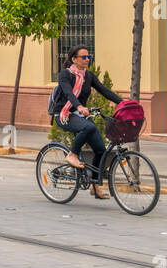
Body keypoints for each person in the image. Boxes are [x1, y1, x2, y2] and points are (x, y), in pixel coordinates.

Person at [49, 45, 122, 199]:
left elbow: (104, 90)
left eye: (88, 57)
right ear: (74, 59)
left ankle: (95, 186)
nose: (87, 59)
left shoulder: (88, 76)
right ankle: (72, 154)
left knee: (100, 149)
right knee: (88, 127)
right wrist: (79, 106)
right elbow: (68, 93)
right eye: (83, 57)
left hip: (80, 115)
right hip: (64, 114)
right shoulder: (65, 75)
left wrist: (123, 104)